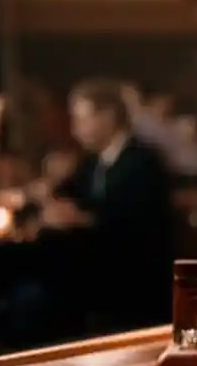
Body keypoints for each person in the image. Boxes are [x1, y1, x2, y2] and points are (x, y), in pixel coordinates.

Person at [43, 78, 174, 333]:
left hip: (134, 279)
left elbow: (129, 219)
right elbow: (68, 194)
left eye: (82, 119)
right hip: (99, 269)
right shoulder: (93, 162)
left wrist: (79, 217)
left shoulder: (143, 160)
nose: (76, 129)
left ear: (108, 116)